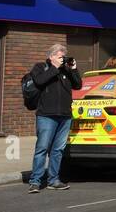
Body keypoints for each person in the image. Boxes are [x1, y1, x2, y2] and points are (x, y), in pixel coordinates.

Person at [28, 43, 81, 194]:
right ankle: (35, 181)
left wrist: (74, 69)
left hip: (65, 116)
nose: (62, 60)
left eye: (63, 57)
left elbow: (78, 85)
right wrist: (54, 68)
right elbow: (39, 81)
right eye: (59, 57)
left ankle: (53, 180)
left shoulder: (66, 70)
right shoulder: (40, 67)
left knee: (58, 150)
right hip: (46, 115)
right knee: (42, 148)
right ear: (51, 57)